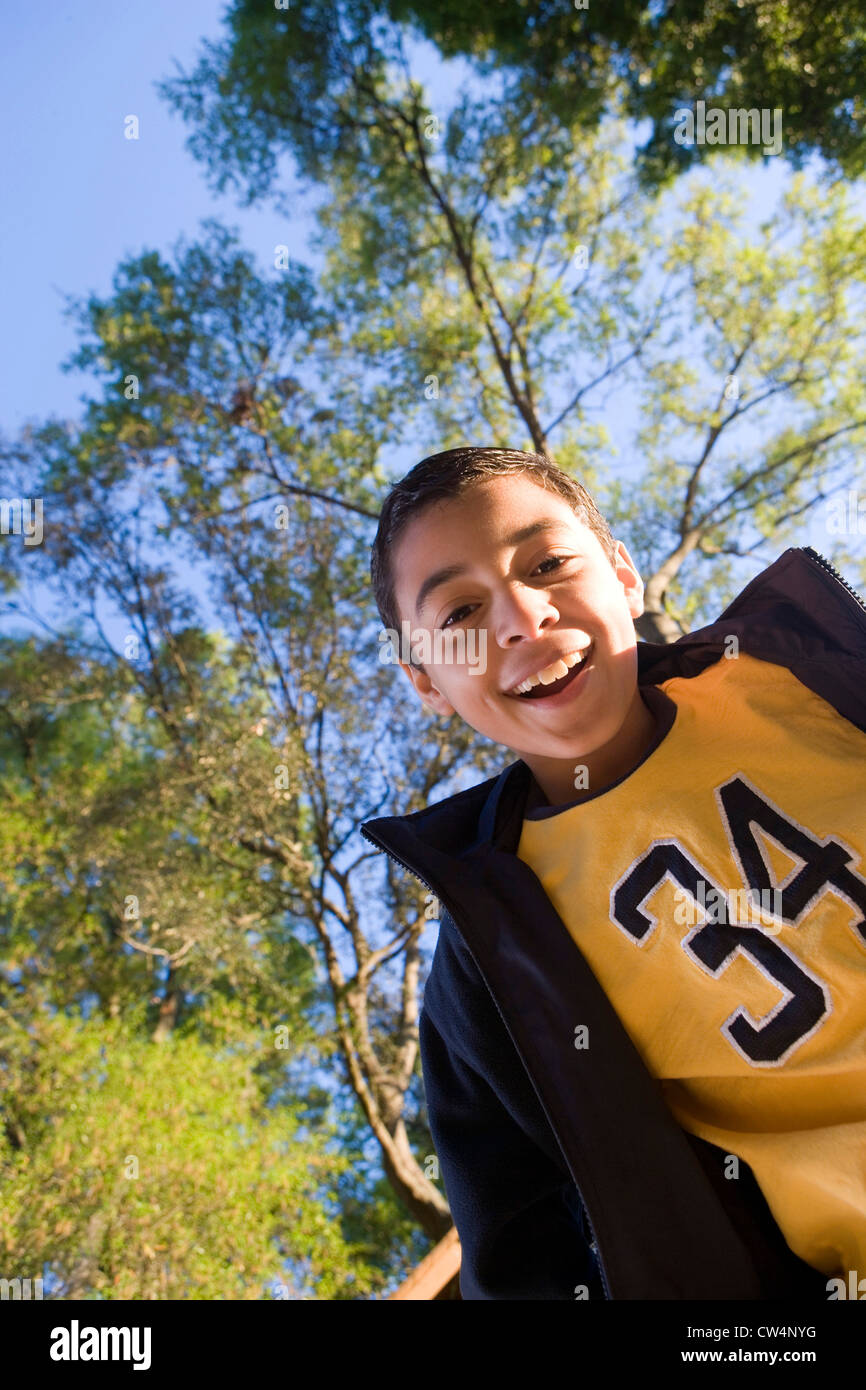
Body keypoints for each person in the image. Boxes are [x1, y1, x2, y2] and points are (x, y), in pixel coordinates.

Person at [362, 446, 866, 1300]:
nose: (523, 618)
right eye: (459, 614)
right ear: (425, 681)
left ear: (624, 576)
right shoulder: (495, 957)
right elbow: (519, 1247)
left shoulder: (807, 673)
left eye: (550, 563)